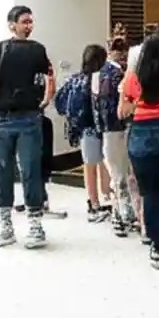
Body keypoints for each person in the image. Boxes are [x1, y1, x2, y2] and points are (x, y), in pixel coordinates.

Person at [0, 6, 55, 249]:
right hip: (2, 118)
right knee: (3, 172)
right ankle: (6, 224)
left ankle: (35, 223)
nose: (29, 26)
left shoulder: (37, 50)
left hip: (29, 118)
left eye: (31, 21)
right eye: (24, 21)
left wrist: (44, 101)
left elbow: (48, 77)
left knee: (31, 169)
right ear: (11, 24)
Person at [118, 33, 159, 270]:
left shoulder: (133, 79)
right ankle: (152, 237)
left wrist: (135, 99)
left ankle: (155, 244)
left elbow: (122, 112)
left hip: (141, 134)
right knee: (158, 188)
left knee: (149, 191)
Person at [55, 44, 111, 223]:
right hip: (105, 128)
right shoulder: (104, 79)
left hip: (84, 128)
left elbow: (60, 103)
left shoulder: (75, 79)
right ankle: (105, 198)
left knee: (89, 165)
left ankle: (93, 202)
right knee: (106, 163)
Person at [97, 38, 139, 236]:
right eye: (118, 50)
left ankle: (122, 212)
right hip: (118, 128)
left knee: (119, 173)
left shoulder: (100, 73)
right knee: (121, 174)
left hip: (109, 129)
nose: (121, 54)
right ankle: (120, 214)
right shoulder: (118, 74)